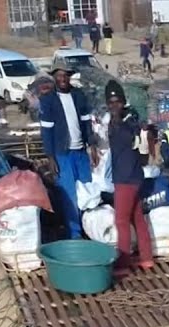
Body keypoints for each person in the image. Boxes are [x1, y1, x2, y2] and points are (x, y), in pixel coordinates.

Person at [38, 63, 96, 240]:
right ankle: (75, 234)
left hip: (80, 152)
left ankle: (91, 228)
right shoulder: (48, 100)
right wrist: (50, 157)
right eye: (59, 76)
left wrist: (92, 145)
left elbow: (86, 122)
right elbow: (46, 131)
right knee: (69, 195)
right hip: (62, 154)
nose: (62, 79)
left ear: (69, 77)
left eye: (65, 75)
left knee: (87, 191)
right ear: (54, 78)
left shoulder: (78, 95)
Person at [104, 80, 154, 274]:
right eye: (111, 102)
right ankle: (147, 258)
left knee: (121, 221)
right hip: (134, 177)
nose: (114, 105)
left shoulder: (125, 123)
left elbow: (130, 136)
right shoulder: (124, 120)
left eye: (117, 101)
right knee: (137, 217)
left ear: (123, 102)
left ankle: (123, 264)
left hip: (125, 179)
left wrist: (118, 119)